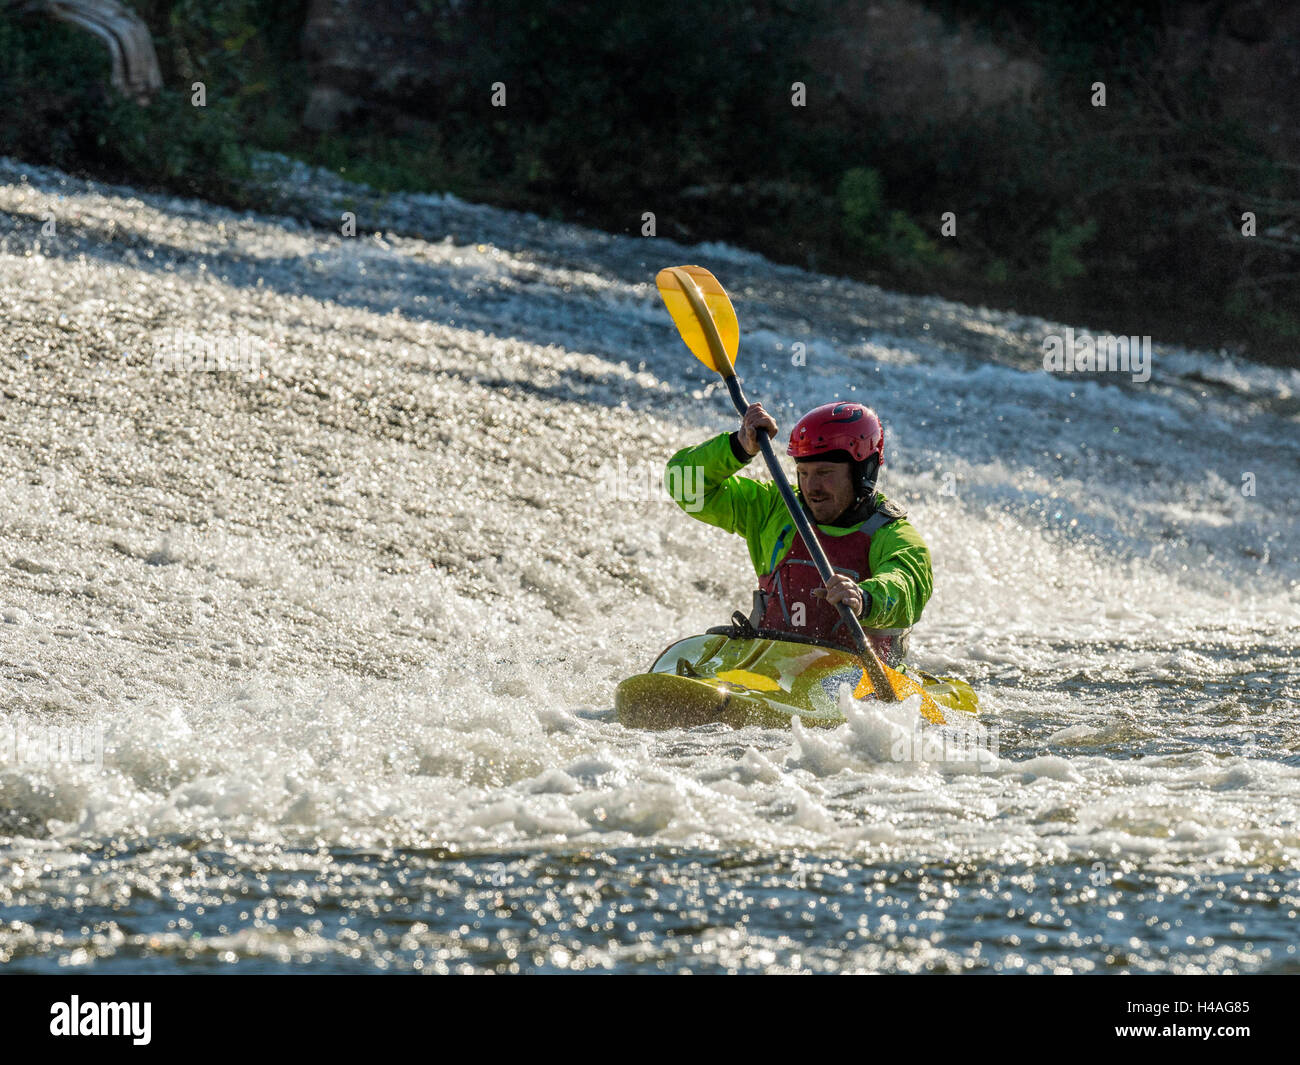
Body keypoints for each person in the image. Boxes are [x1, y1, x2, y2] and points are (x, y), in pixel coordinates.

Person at [664, 400, 932, 666]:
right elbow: (684, 485)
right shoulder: (774, 508)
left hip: (854, 685)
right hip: (771, 670)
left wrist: (865, 598)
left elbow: (907, 587)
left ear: (864, 471)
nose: (811, 487)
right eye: (802, 473)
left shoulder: (894, 535)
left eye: (824, 473)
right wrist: (738, 447)